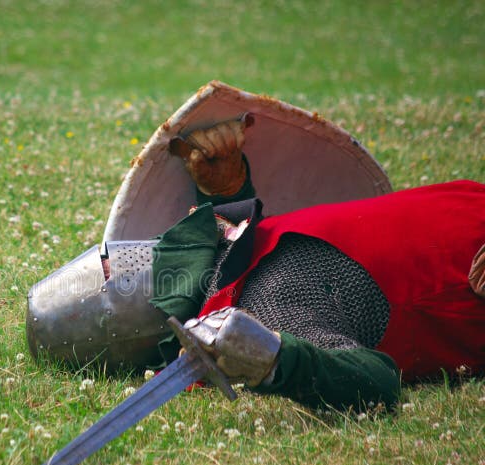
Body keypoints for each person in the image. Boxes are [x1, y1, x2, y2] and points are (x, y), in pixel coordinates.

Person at [26, 117, 485, 411]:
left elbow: (240, 249)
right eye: (113, 277)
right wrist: (276, 359)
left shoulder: (222, 253)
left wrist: (223, 186)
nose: (124, 259)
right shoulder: (270, 308)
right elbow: (379, 382)